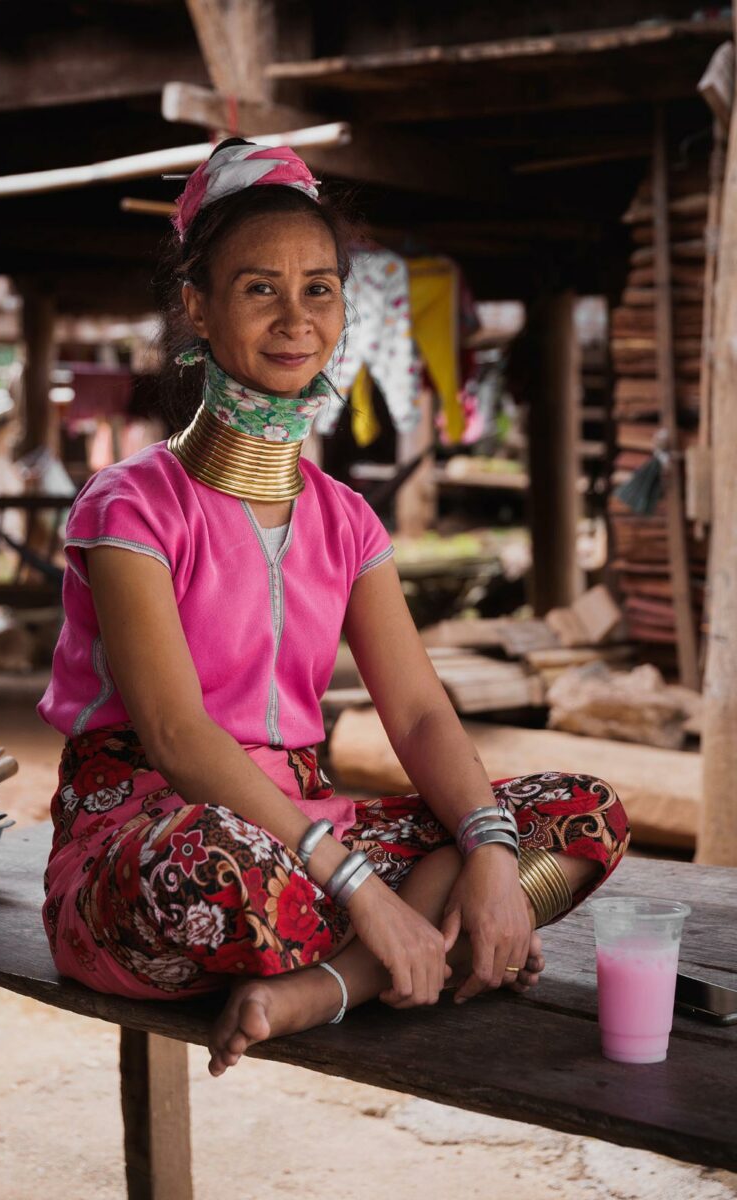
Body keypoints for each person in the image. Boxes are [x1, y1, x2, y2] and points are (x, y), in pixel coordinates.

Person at [38, 138, 630, 1078]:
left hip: (310, 838)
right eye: (259, 288)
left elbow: (423, 713)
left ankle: (331, 981)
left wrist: (483, 852)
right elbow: (179, 735)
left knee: (574, 813)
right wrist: (363, 884)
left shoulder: (346, 520)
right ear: (197, 305)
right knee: (211, 868)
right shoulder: (130, 508)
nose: (295, 318)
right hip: (154, 837)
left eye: (319, 288)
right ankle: (408, 942)